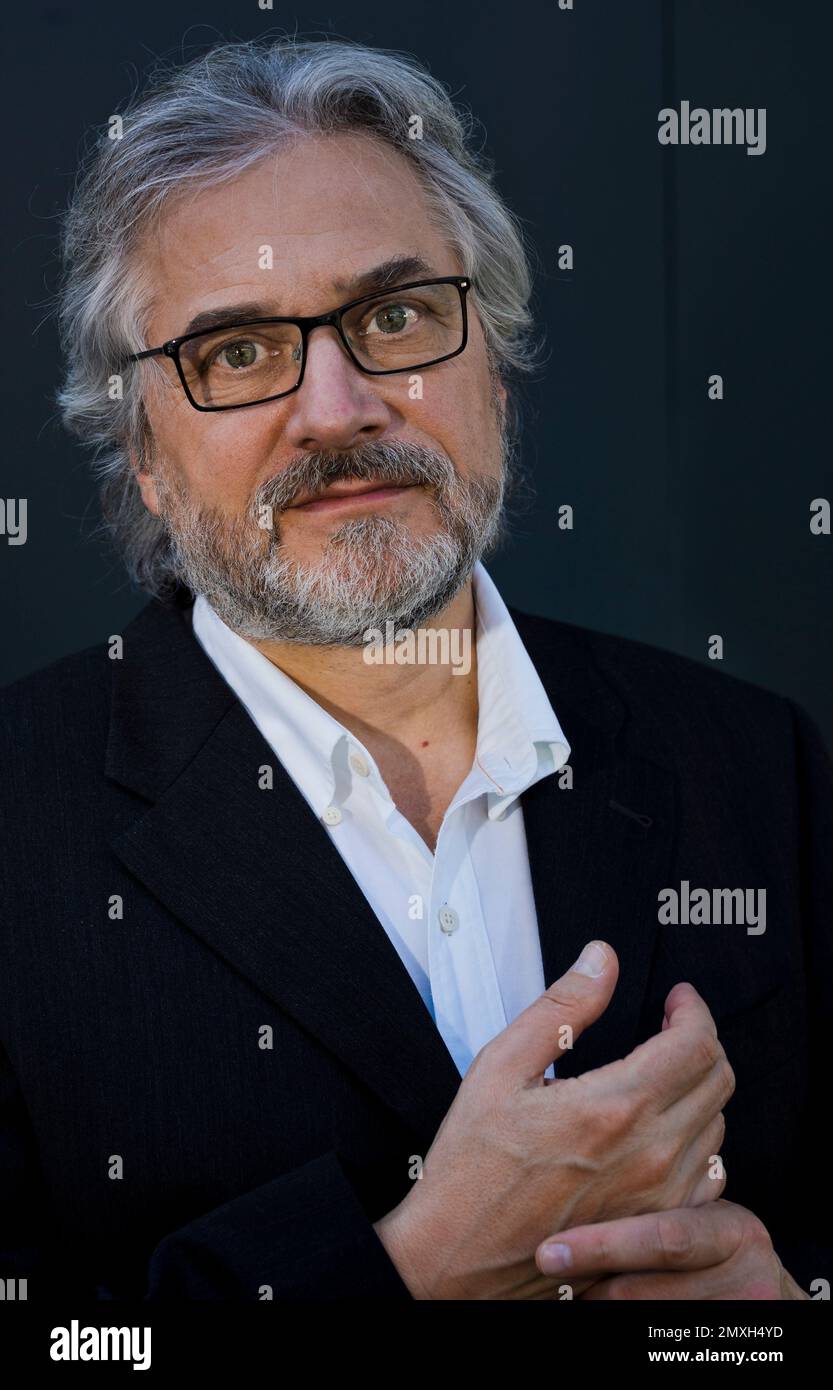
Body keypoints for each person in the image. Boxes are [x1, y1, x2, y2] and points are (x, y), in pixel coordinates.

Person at [1, 35, 829, 1301]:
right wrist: (406, 1271)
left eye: (393, 317)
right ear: (146, 459)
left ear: (490, 364)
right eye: (237, 352)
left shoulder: (756, 762)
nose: (336, 409)